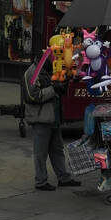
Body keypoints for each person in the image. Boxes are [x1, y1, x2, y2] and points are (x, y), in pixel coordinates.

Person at [21, 54, 82, 192]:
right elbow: (32, 96)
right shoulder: (32, 72)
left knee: (57, 150)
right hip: (41, 118)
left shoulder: (47, 70)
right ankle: (41, 181)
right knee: (40, 153)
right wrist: (53, 89)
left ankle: (64, 178)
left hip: (53, 117)